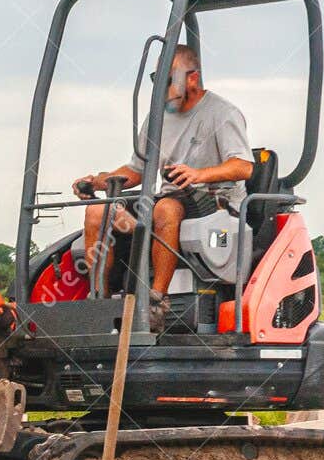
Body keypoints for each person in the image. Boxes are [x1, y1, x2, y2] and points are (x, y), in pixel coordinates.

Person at [73, 45, 253, 331]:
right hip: (168, 198)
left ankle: (156, 302)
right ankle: (99, 302)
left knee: (165, 208)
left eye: (167, 79)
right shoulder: (159, 118)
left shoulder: (222, 113)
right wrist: (98, 181)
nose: (160, 87)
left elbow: (243, 166)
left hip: (217, 204)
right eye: (156, 79)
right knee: (99, 211)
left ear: (192, 78)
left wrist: (198, 174)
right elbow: (137, 169)